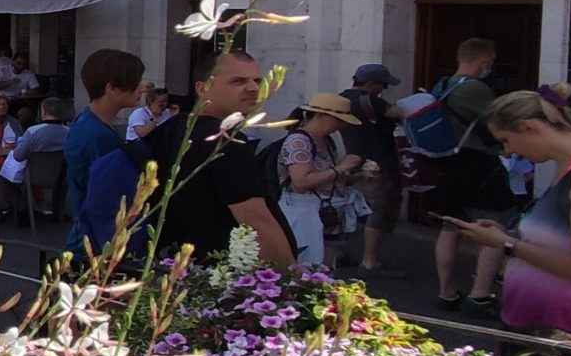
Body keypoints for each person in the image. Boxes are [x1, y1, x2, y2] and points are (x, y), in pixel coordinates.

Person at [443, 91, 571, 346]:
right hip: (542, 329)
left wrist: (507, 245)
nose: (507, 151)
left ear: (529, 127)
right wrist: (509, 236)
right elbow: (562, 240)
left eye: (505, 140)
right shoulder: (569, 167)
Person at [158, 49, 294, 268]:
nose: (253, 88)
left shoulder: (174, 128)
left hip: (191, 273)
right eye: (238, 81)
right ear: (203, 88)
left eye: (257, 80)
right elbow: (255, 222)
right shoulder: (225, 139)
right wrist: (292, 283)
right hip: (227, 280)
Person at [429, 38, 513, 313]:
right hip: (480, 164)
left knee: (450, 228)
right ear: (485, 59)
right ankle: (479, 294)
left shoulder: (441, 85)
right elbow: (500, 120)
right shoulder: (476, 89)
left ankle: (446, 292)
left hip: (450, 162)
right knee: (495, 226)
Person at [62, 49, 146, 249]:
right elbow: (105, 199)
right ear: (112, 88)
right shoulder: (96, 135)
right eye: (136, 82)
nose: (142, 88)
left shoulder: (89, 122)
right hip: (95, 244)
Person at [275, 93, 367, 267]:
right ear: (321, 115)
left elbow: (328, 180)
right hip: (303, 211)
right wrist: (339, 168)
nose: (341, 126)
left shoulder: (327, 141)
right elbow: (300, 182)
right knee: (307, 264)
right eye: (338, 120)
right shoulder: (299, 141)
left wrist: (356, 176)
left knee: (325, 265)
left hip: (327, 212)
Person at [337, 64, 404, 275]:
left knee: (347, 209)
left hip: (352, 160)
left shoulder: (343, 98)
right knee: (378, 212)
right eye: (382, 84)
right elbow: (399, 114)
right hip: (377, 164)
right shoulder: (371, 101)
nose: (383, 89)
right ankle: (370, 262)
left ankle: (338, 252)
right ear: (371, 83)